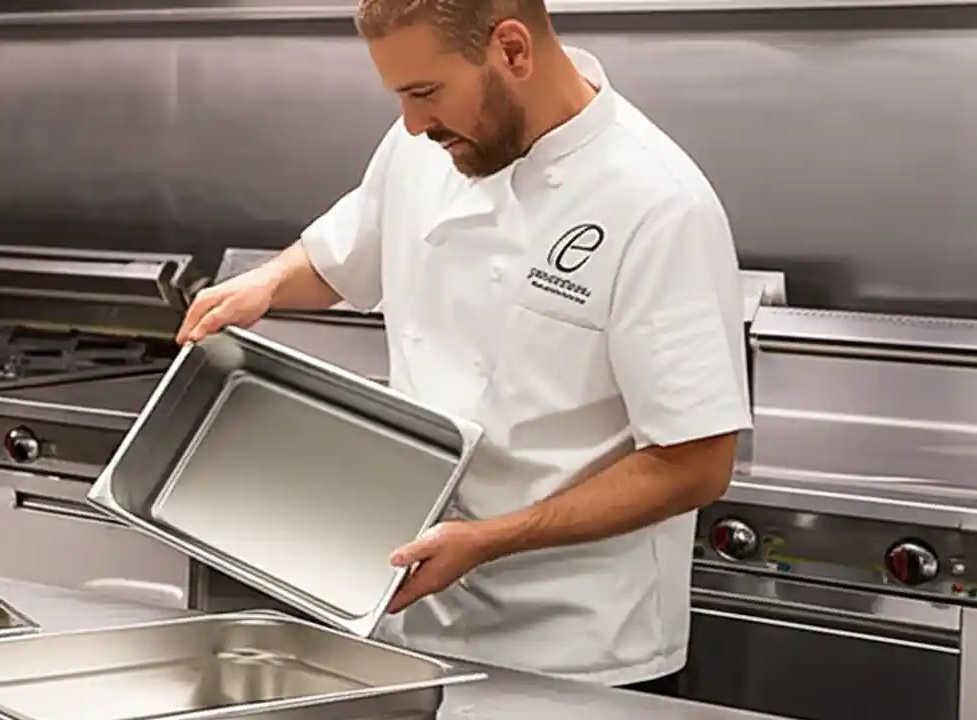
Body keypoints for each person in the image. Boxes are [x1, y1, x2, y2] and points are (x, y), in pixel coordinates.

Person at [176, 0, 751, 694]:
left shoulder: (659, 205)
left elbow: (695, 465)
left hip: (578, 650)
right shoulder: (430, 145)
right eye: (401, 96)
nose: (412, 123)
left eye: (424, 92)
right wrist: (265, 283)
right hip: (411, 623)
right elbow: (344, 254)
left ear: (512, 50)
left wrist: (489, 540)